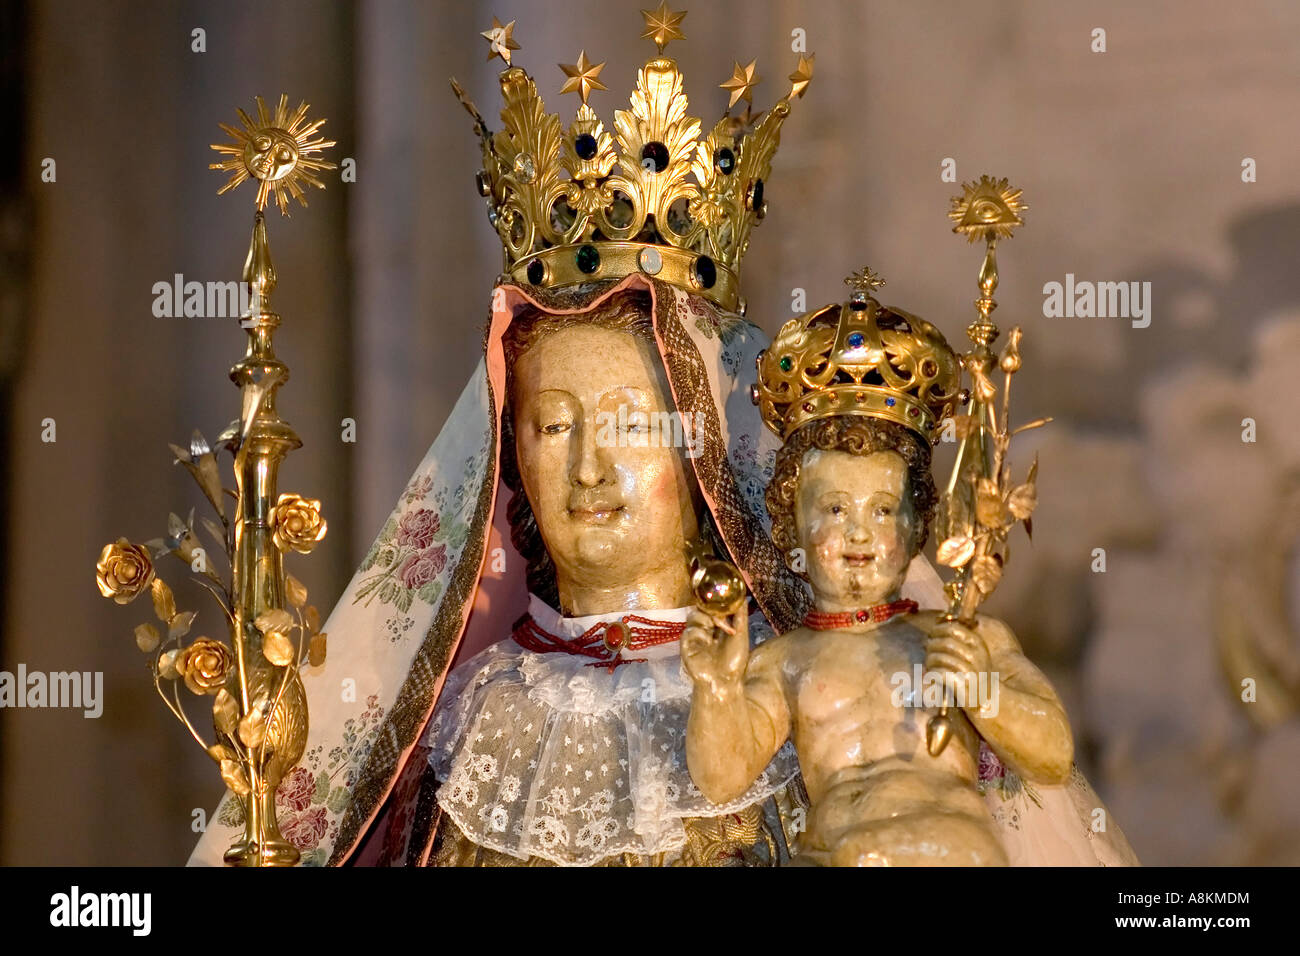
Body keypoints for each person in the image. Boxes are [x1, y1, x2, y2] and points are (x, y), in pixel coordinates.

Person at [683, 285, 1139, 865]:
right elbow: (722, 778)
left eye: (881, 510)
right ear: (790, 524)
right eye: (833, 510)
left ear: (919, 523)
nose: (858, 533)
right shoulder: (786, 661)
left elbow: (1052, 754)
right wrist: (717, 689)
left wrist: (983, 692)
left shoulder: (960, 640)